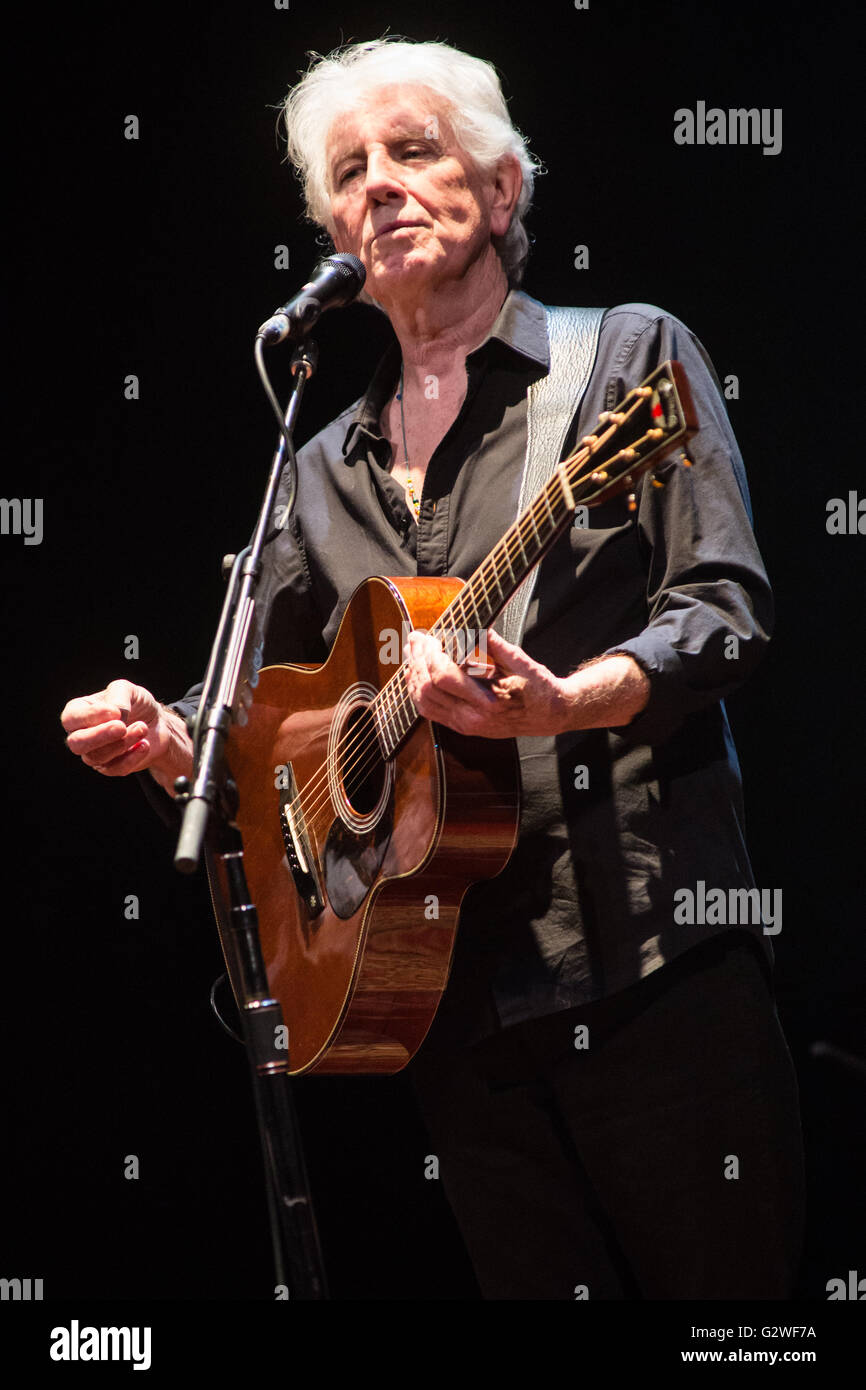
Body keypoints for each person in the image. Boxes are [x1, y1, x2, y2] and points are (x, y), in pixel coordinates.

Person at [60, 38, 805, 1300]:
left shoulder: (621, 360)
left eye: (415, 151)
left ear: (502, 192)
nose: (383, 184)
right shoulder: (315, 467)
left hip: (644, 968)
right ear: (331, 232)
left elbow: (722, 608)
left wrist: (572, 699)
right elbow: (257, 705)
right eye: (351, 172)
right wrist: (169, 731)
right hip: (441, 995)